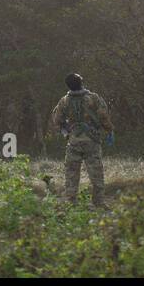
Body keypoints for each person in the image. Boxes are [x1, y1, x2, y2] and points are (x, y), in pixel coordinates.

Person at [49, 73, 113, 208]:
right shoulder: (93, 98)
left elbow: (56, 120)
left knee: (71, 173)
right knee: (96, 173)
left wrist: (65, 132)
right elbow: (104, 116)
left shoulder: (64, 100)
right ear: (81, 83)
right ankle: (99, 201)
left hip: (73, 141)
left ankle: (71, 202)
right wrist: (109, 130)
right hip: (92, 140)